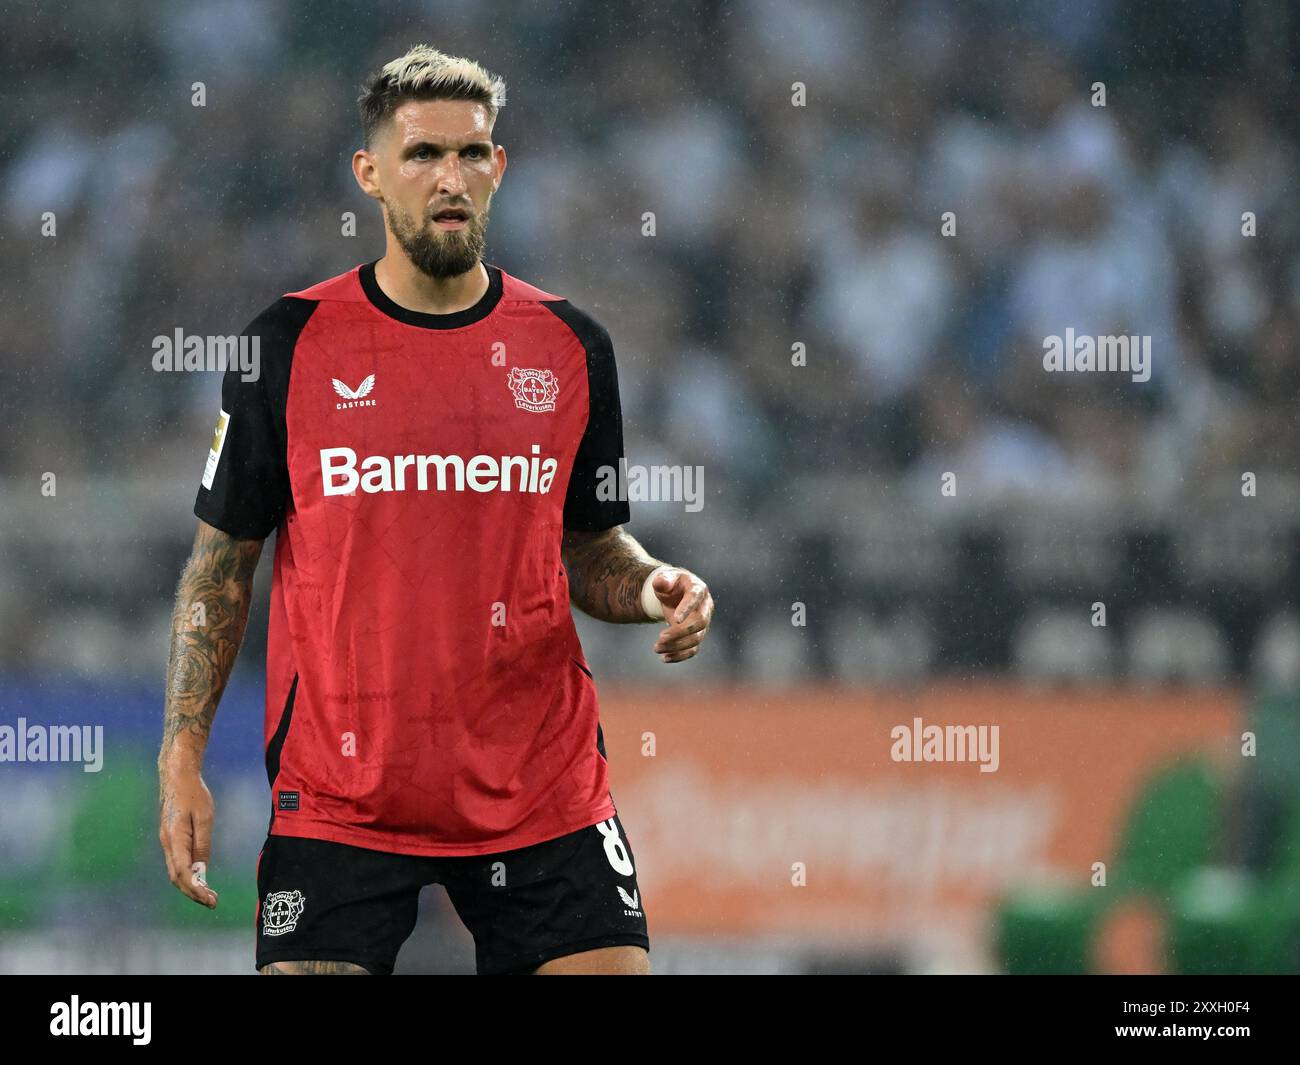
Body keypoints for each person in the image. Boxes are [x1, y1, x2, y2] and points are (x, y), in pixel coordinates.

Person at [157, 44, 714, 975]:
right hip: (343, 792)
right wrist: (182, 755)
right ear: (370, 175)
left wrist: (656, 585)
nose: (449, 177)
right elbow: (220, 569)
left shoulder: (573, 346)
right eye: (422, 155)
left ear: (498, 169)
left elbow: (590, 549)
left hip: (538, 786)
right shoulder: (286, 345)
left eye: (471, 153)